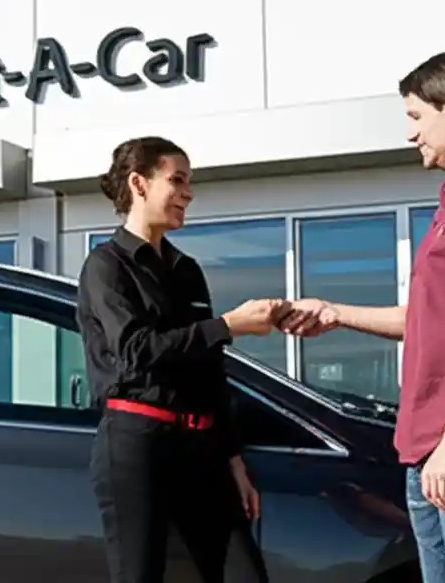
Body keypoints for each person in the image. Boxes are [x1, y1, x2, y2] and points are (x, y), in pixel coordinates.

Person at [278, 51, 445, 583]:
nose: (410, 134)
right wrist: (335, 313)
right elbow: (431, 320)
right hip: (433, 448)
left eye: (415, 116)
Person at [77, 135, 280, 583]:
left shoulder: (186, 270)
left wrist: (233, 459)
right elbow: (136, 351)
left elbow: (210, 371)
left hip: (202, 447)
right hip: (136, 445)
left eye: (189, 183)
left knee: (245, 575)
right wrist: (227, 325)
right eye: (177, 180)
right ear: (139, 184)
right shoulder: (106, 267)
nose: (188, 193)